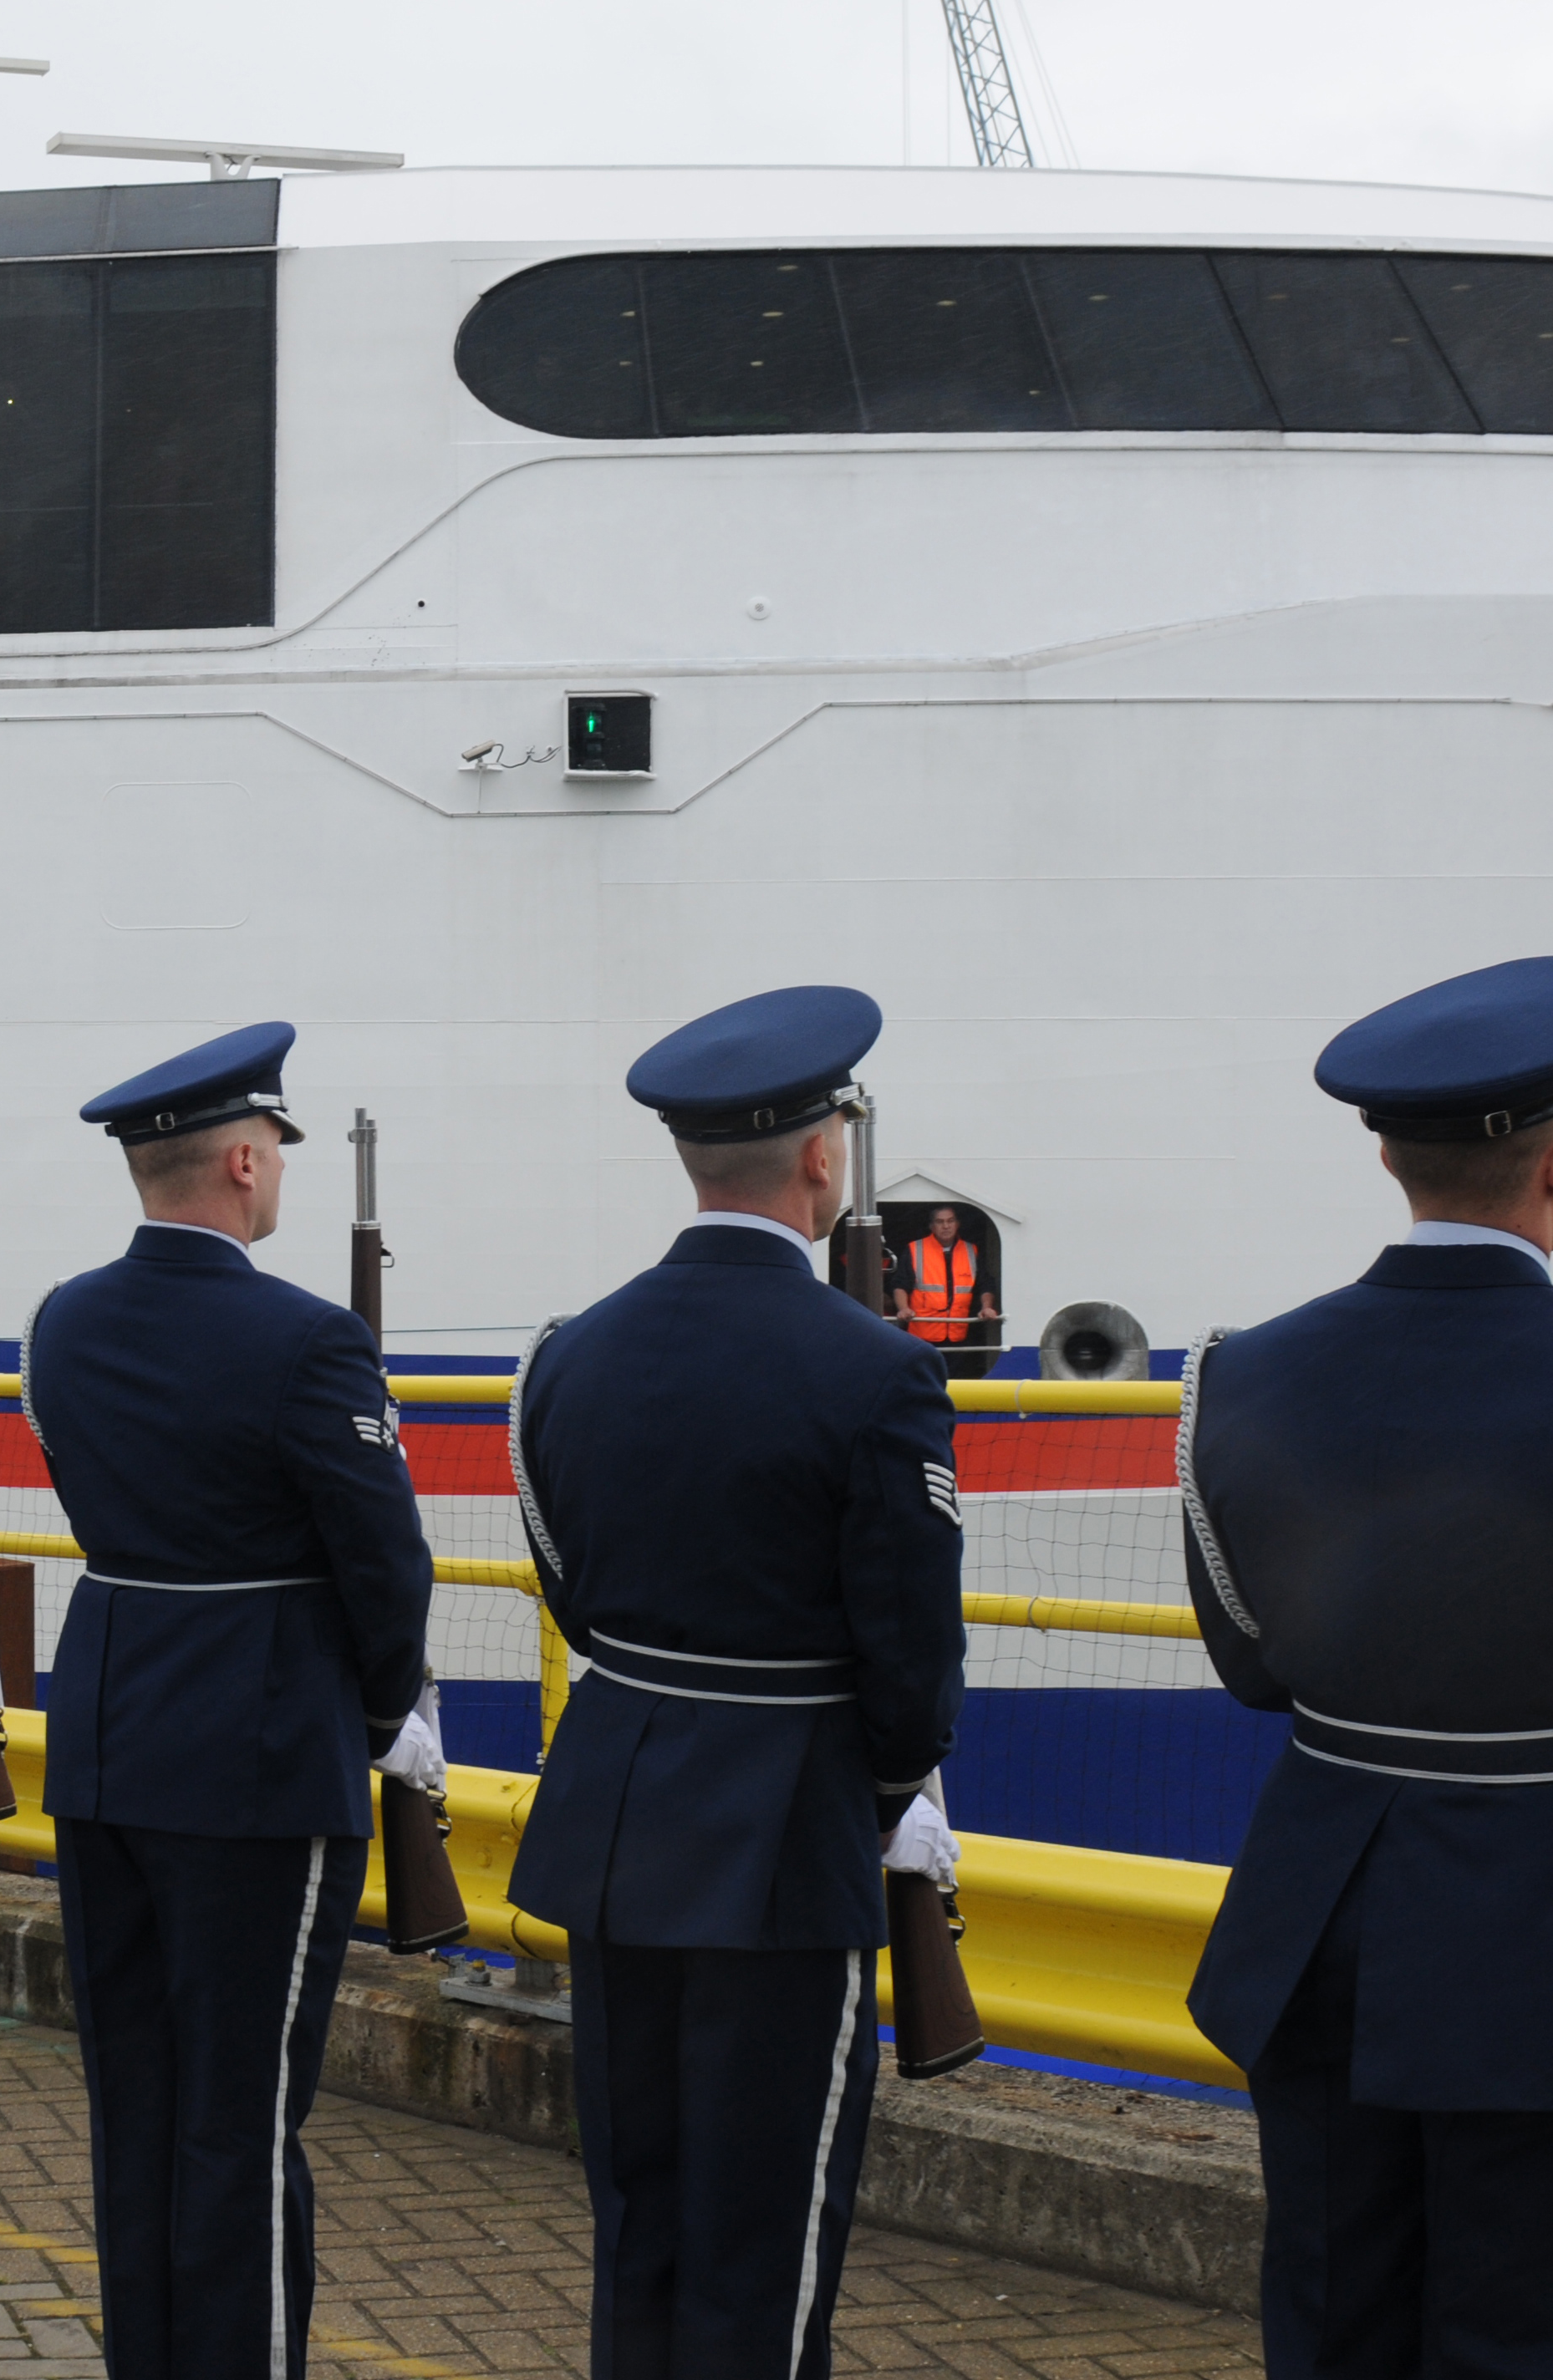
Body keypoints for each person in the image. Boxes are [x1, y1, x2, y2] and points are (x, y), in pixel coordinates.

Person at [503, 985, 965, 2380]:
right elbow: (909, 1648)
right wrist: (887, 1788)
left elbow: (568, 1582)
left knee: (637, 2209)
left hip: (616, 1807)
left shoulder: (568, 1350)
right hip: (786, 1824)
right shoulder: (877, 1370)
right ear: (823, 1156)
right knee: (761, 2238)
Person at [23, 1023, 442, 2380]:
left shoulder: (63, 1321)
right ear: (246, 1162)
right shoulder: (309, 1338)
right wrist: (377, 1715)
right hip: (259, 1751)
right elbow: (385, 1560)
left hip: (108, 1734)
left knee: (137, 2102)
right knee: (241, 2116)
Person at [1179, 954, 1553, 2373]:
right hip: (1528, 1925)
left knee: (1331, 2312)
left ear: (1386, 1153)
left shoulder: (1239, 1372)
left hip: (1319, 1902)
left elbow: (1250, 1663)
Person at [892, 1206, 996, 1355]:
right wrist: (903, 1309)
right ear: (932, 1226)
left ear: (957, 1224)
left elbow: (985, 1284)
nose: (946, 1226)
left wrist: (987, 1307)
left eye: (950, 1221)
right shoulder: (915, 1249)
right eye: (940, 1222)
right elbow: (900, 1285)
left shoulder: (971, 1250)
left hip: (959, 1333)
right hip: (922, 1335)